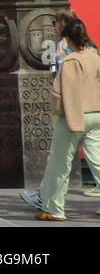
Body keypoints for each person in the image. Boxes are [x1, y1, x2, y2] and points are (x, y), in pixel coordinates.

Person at [21, 19, 100, 221]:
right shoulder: (95, 57)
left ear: (66, 38)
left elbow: (65, 93)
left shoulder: (71, 61)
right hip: (96, 114)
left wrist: (66, 118)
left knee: (60, 164)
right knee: (98, 161)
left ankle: (54, 209)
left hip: (75, 116)